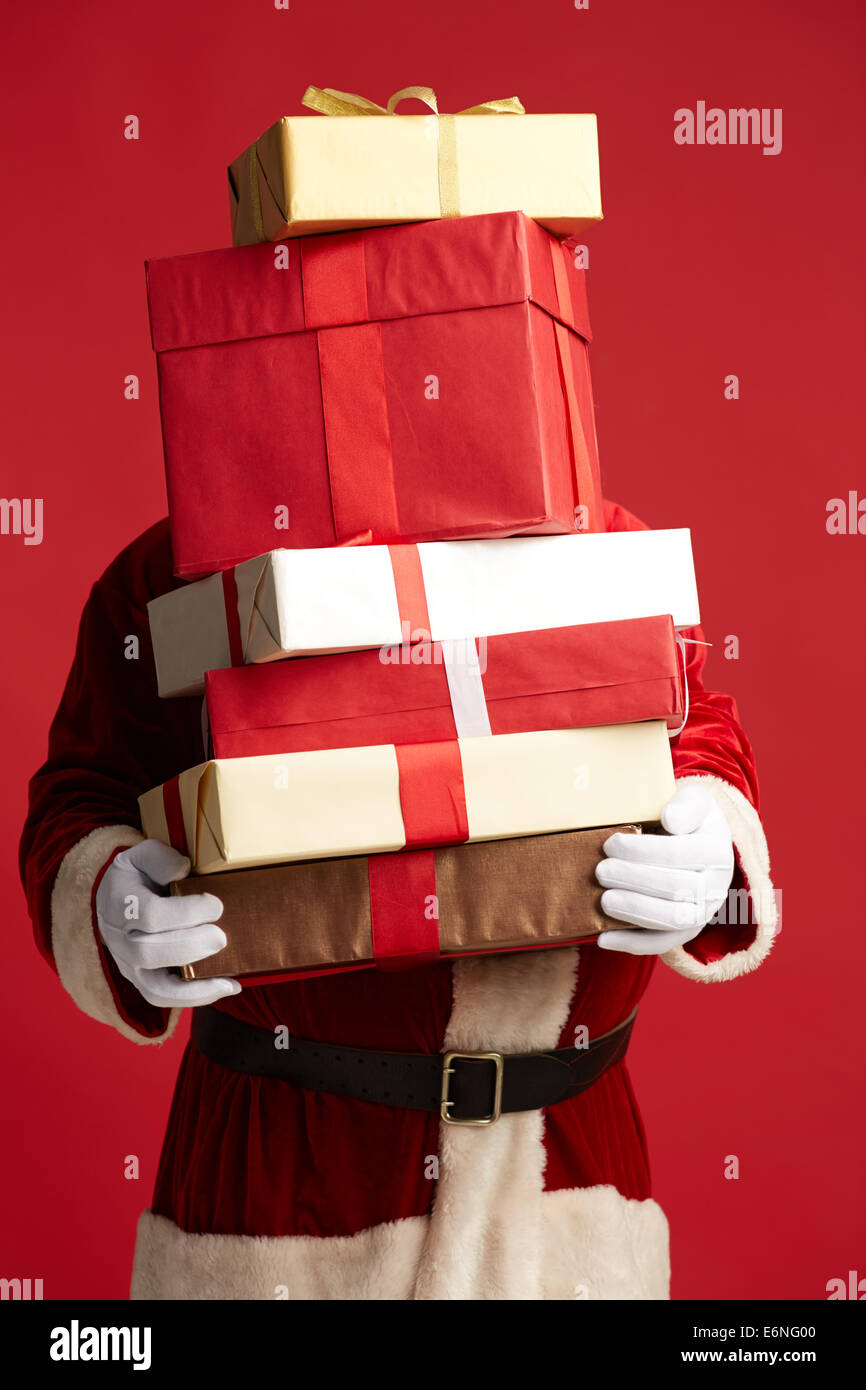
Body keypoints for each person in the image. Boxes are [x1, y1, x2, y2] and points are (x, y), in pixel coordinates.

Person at [20, 499, 776, 1300]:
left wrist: (715, 847)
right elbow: (85, 789)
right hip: (280, 1184)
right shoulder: (174, 570)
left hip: (565, 1175)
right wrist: (104, 897)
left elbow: (695, 726)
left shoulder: (605, 547)